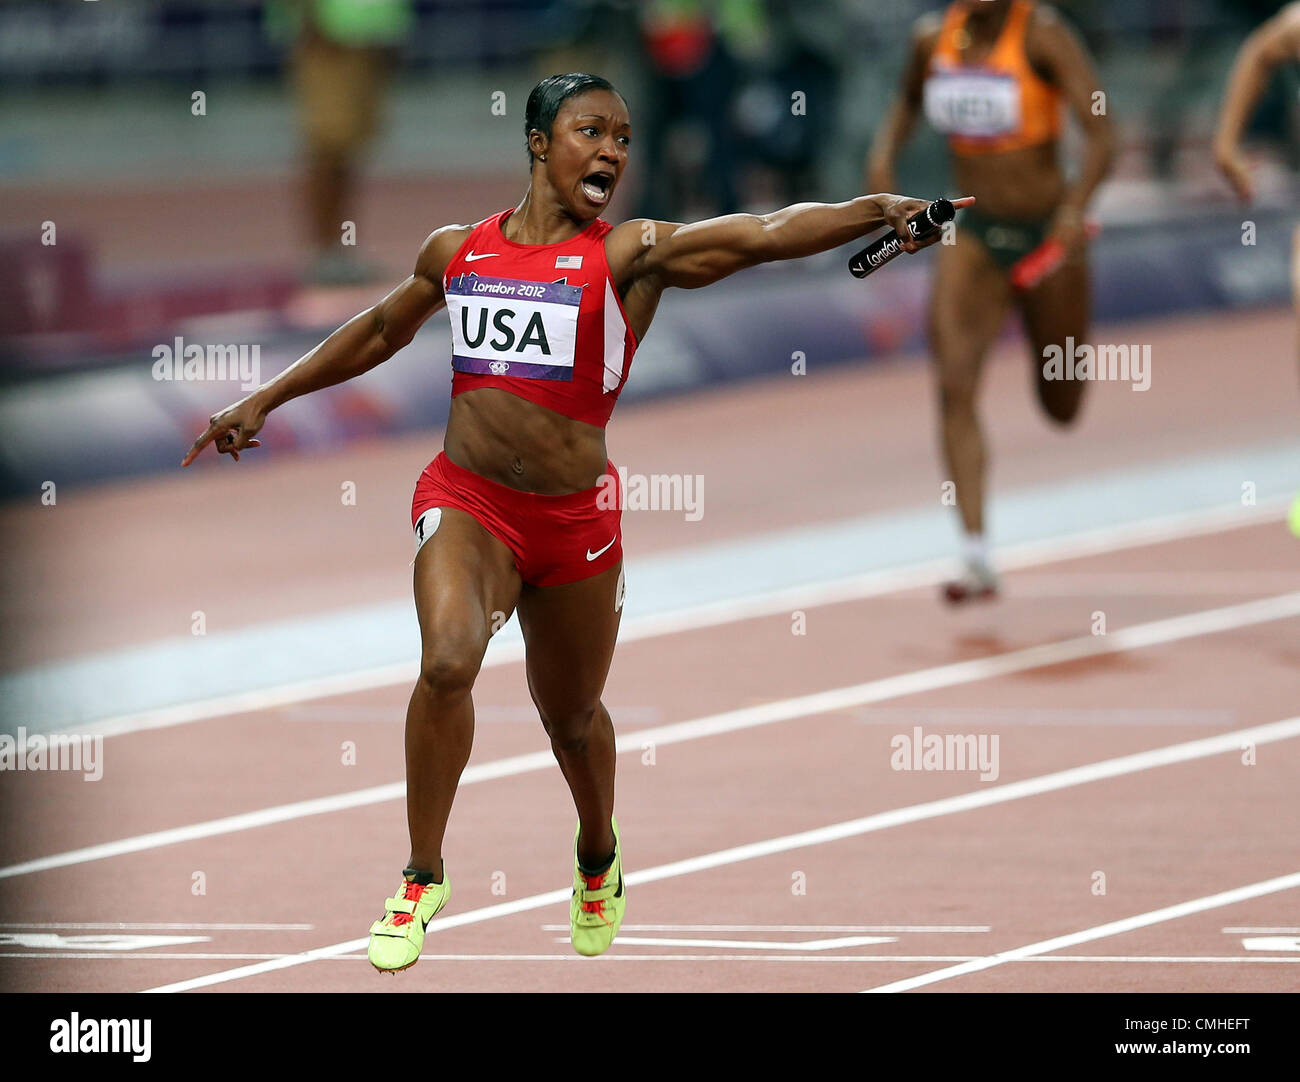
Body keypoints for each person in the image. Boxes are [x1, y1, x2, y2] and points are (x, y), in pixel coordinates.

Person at [182, 72, 965, 971]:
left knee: (572, 719)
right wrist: (268, 397)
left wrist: (877, 208)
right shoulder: (458, 250)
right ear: (538, 142)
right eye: (592, 132)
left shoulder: (628, 253)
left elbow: (762, 234)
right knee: (446, 662)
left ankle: (598, 852)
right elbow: (379, 330)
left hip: (574, 522)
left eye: (624, 139)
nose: (612, 152)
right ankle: (421, 875)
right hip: (467, 500)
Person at [867, 0, 1114, 602]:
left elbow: (1104, 132)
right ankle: (976, 555)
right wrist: (883, 172)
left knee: (1061, 403)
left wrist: (1074, 210)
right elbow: (903, 108)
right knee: (953, 383)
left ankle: (1061, 362)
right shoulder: (933, 40)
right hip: (971, 231)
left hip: (1047, 237)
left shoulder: (1044, 34)